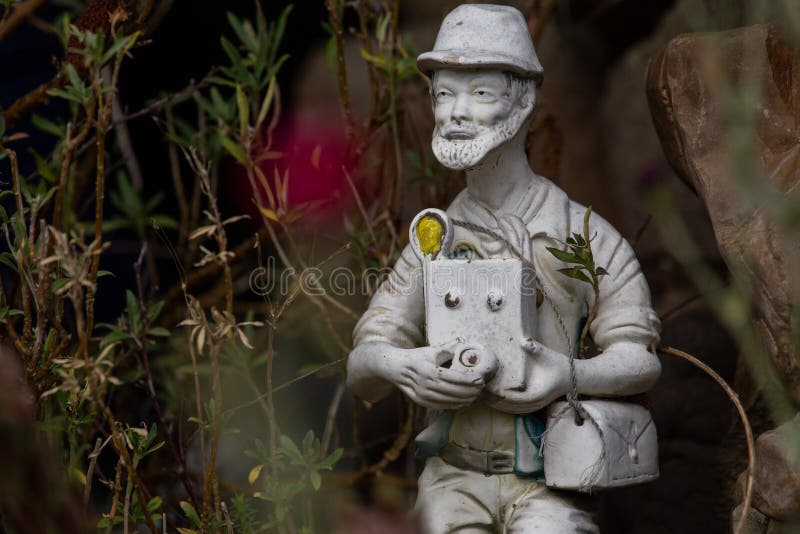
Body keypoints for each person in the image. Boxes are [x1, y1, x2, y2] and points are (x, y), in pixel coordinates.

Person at [346, 4, 661, 532]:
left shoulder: (582, 233)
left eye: (480, 93)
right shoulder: (433, 238)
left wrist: (568, 375)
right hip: (452, 479)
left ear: (524, 102)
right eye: (444, 94)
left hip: (549, 482)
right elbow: (362, 364)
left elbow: (639, 358)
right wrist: (404, 367)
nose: (455, 113)